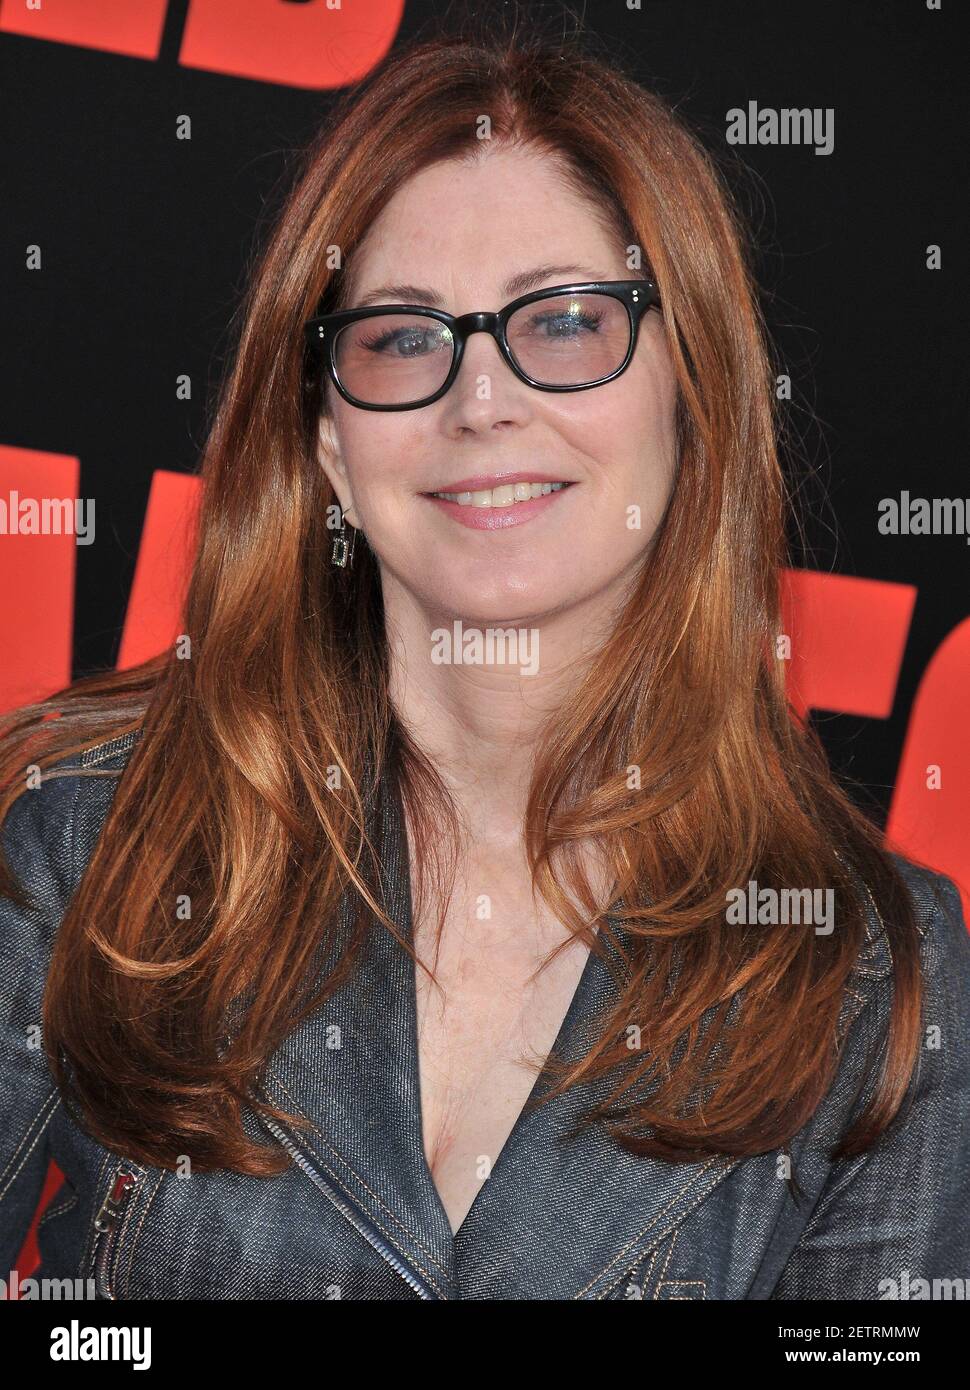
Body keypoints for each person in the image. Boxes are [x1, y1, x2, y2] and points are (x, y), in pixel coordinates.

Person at [1, 23, 969, 1302]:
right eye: (402, 338)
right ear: (329, 443)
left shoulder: (867, 975)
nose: (481, 398)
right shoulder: (85, 832)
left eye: (565, 322)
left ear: (693, 395)